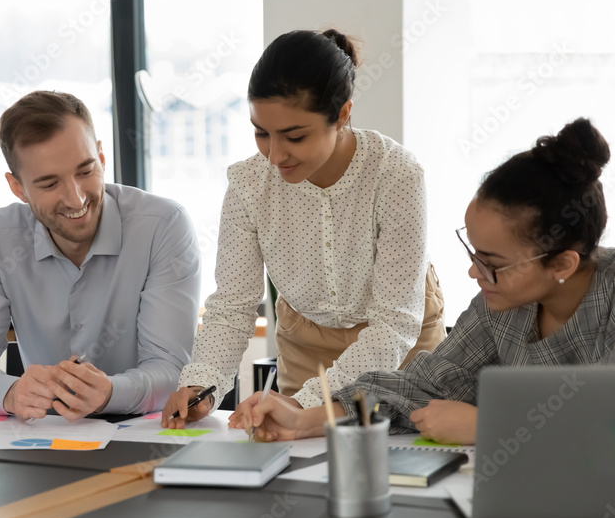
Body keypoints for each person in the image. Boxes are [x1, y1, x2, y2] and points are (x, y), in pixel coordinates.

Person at [234, 117, 614, 444]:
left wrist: (490, 427)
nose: (474, 273)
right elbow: (420, 387)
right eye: (473, 255)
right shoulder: (498, 307)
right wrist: (304, 420)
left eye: (492, 263)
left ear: (562, 264)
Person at [162, 29, 445, 427]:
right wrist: (202, 385)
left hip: (400, 344)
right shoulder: (248, 185)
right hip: (305, 342)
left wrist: (309, 403)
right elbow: (232, 305)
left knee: (405, 457)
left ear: (343, 115)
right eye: (261, 132)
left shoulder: (397, 175)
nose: (275, 155)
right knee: (302, 465)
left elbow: (395, 323)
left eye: (294, 136)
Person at [0, 90, 201, 419]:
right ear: (18, 187)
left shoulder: (163, 226)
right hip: (44, 442)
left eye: (85, 171)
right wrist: (9, 393)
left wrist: (111, 393)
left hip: (146, 435)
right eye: (49, 184)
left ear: (102, 158)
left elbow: (172, 369)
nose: (76, 199)